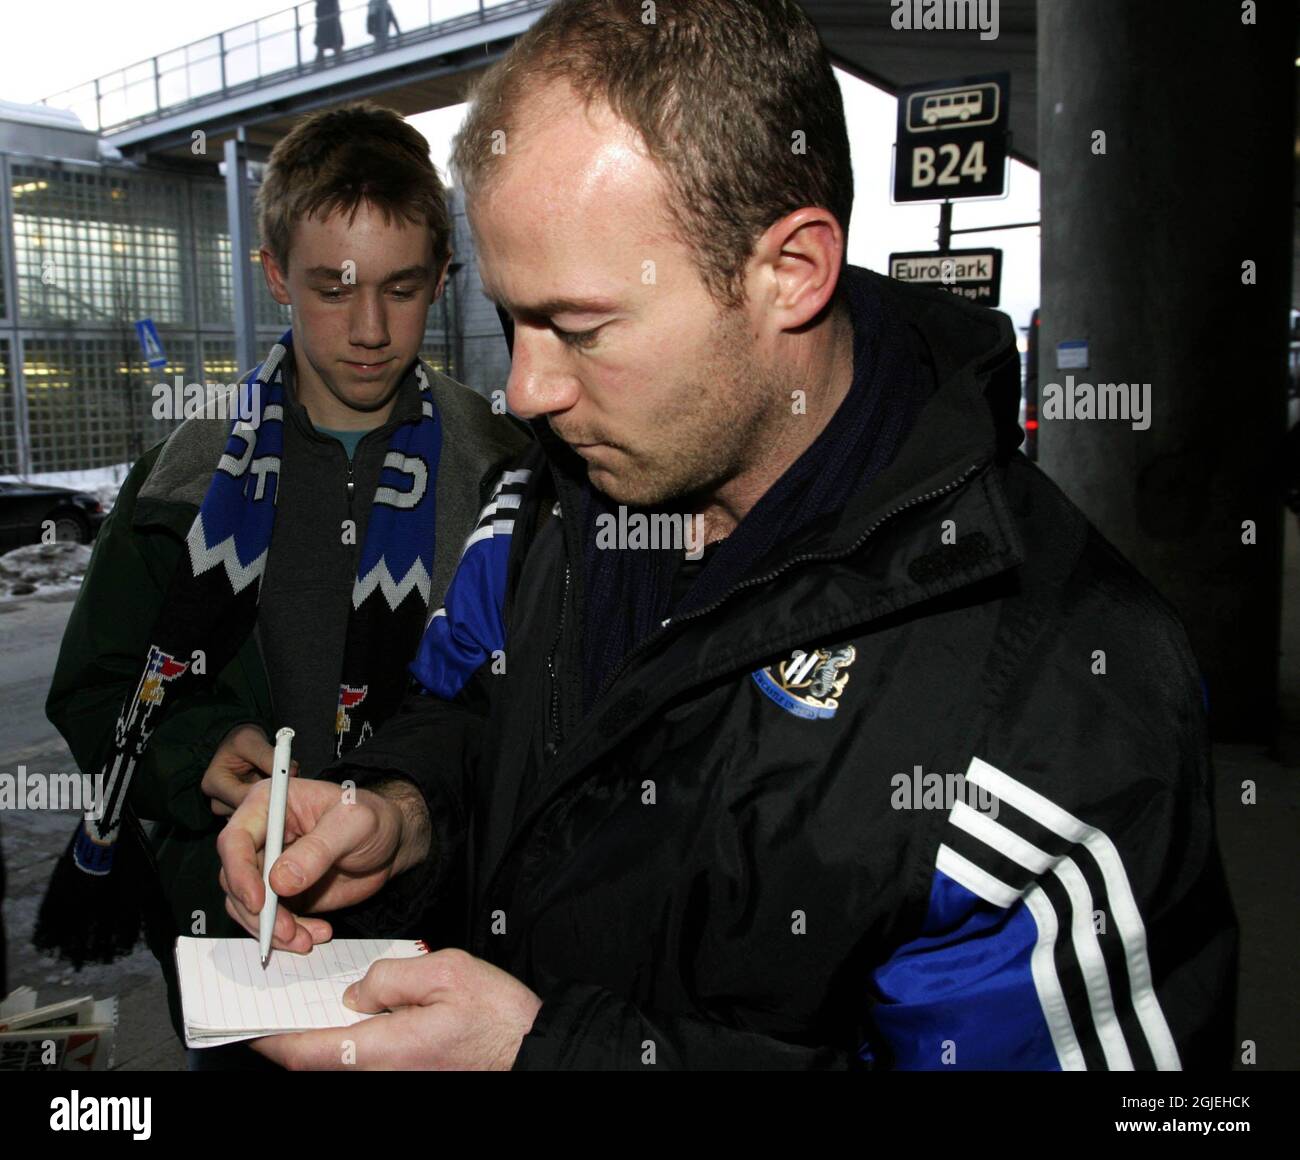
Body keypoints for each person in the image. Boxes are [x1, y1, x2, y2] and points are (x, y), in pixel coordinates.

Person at [219, 0, 1237, 1070]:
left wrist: (551, 1057)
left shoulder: (1063, 696)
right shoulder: (545, 500)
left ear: (789, 270)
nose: (524, 389)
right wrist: (401, 811)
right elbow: (473, 709)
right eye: (512, 318)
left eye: (578, 326)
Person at [36, 101, 529, 1067]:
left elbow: (540, 721)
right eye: (333, 290)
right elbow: (94, 691)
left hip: (445, 940)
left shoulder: (507, 477)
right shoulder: (177, 481)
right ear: (274, 277)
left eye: (402, 288)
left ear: (439, 279)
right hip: (233, 944)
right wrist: (200, 752)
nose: (372, 330)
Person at [315, 0, 344, 64]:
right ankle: (319, 66)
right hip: (324, 22)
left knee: (336, 45)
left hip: (331, 21)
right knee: (321, 47)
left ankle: (340, 63)